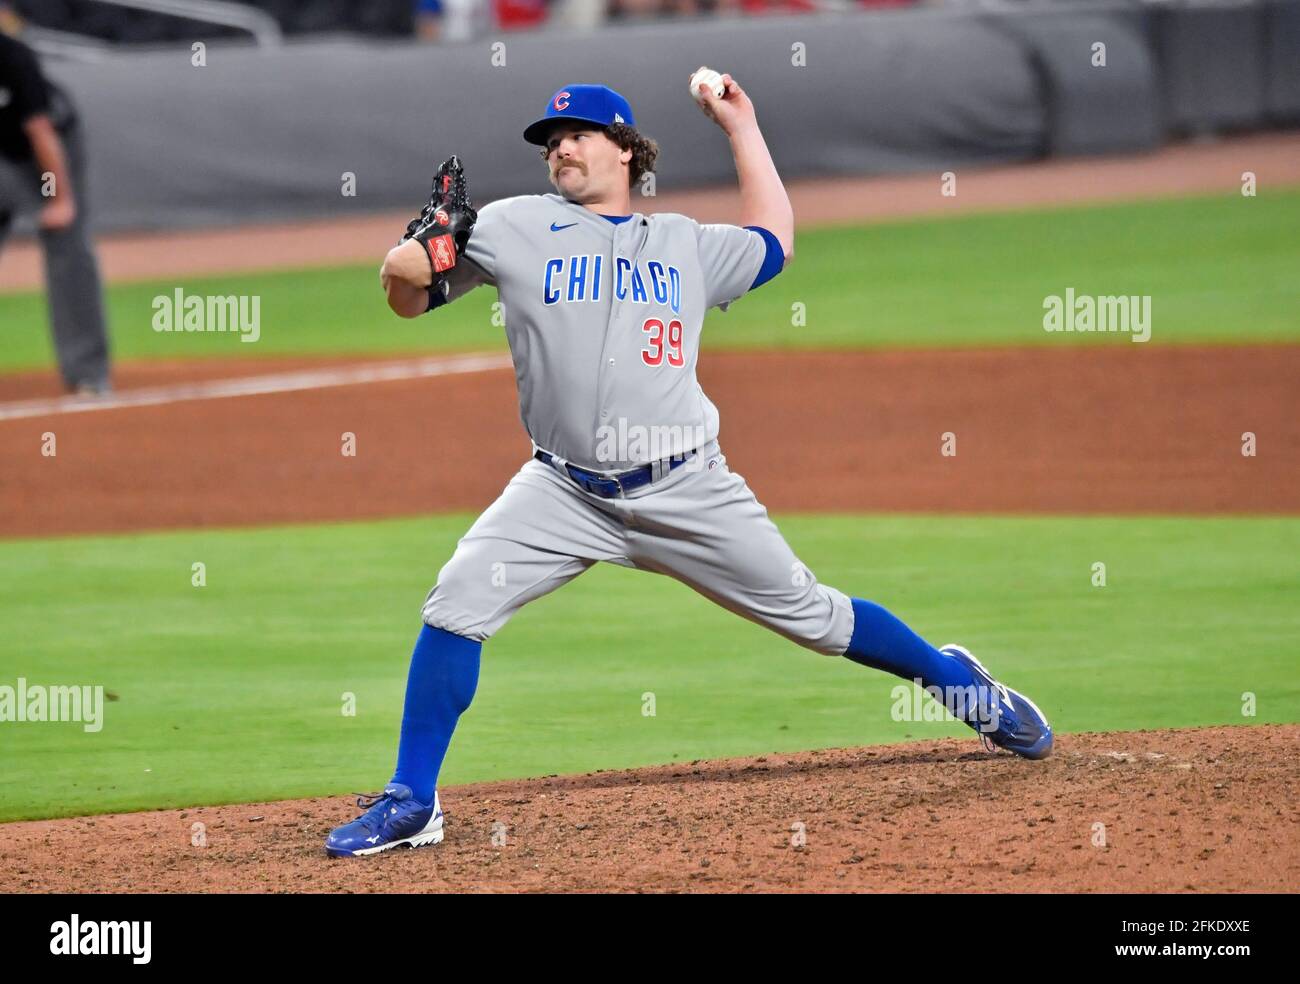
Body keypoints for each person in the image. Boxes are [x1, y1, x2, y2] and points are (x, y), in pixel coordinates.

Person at [324, 80, 1052, 858]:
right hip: (562, 490)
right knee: (456, 604)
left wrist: (743, 125)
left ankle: (960, 686)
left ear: (628, 151)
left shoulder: (685, 243)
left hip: (686, 486)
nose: (559, 147)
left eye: (578, 133)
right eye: (550, 139)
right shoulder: (509, 226)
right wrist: (411, 257)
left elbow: (775, 238)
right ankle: (413, 800)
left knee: (816, 618)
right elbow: (407, 297)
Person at [0, 3, 111, 395]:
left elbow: (42, 134)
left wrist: (59, 198)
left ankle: (88, 374)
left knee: (68, 247)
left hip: (46, 156)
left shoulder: (12, 57)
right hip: (4, 156)